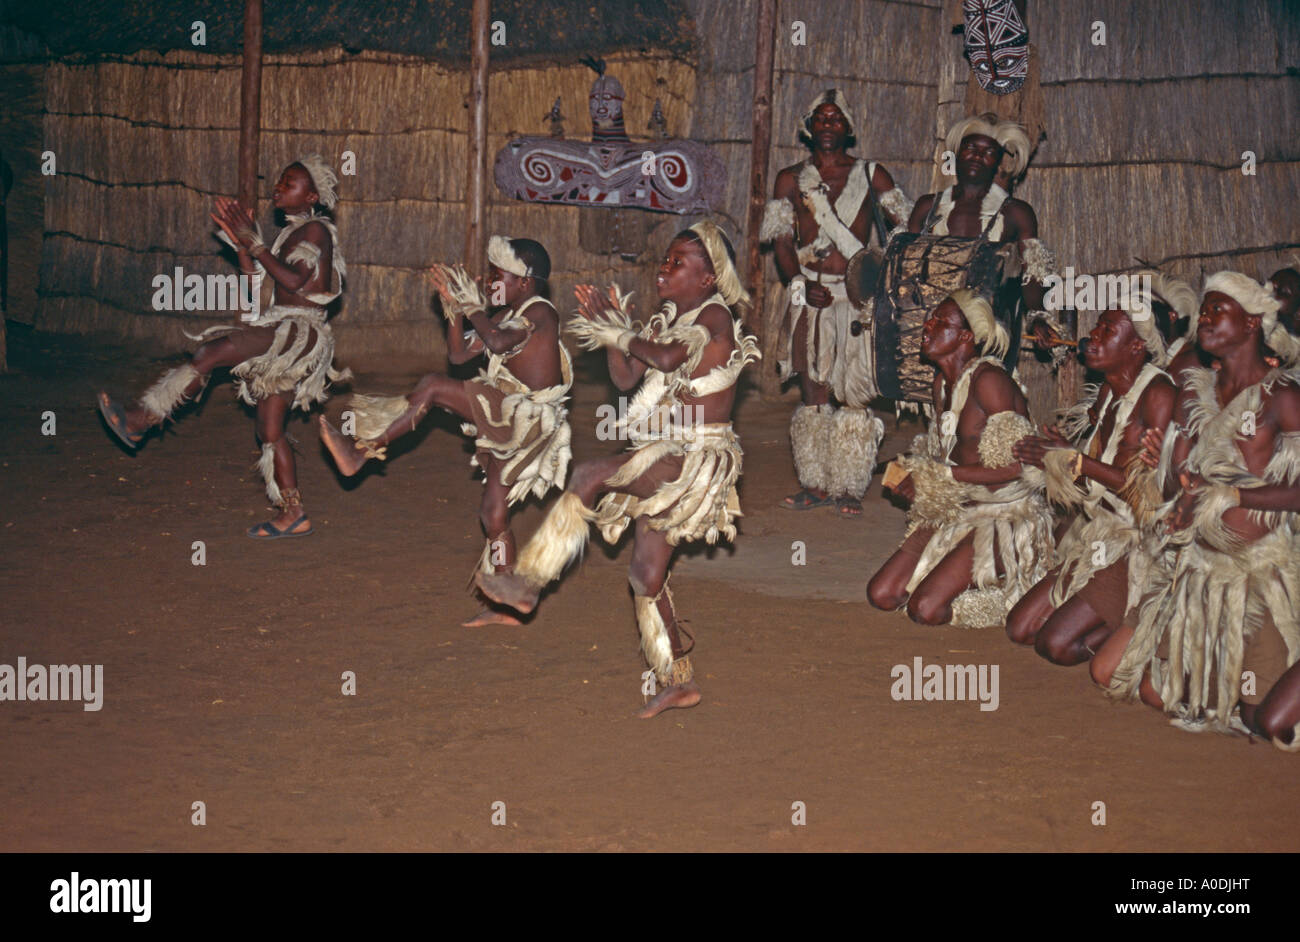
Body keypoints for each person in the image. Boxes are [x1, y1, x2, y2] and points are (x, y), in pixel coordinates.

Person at [474, 222, 760, 718]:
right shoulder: (669, 316)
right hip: (666, 450)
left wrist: (622, 332)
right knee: (645, 575)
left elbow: (669, 358)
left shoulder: (715, 316)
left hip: (691, 455)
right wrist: (611, 335)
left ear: (708, 278)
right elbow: (626, 377)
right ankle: (678, 681)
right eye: (665, 259)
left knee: (587, 476)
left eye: (677, 262)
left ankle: (529, 582)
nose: (664, 268)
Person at [319, 237, 571, 627]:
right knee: (493, 514)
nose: (489, 283)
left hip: (526, 419)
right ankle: (511, 599)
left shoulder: (540, 312)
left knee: (434, 387)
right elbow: (458, 355)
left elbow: (499, 342)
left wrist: (473, 308)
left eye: (497, 276)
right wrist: (454, 311)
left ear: (524, 282)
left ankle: (360, 453)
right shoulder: (507, 315)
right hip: (512, 417)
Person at [1094, 272, 1300, 748]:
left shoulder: (1282, 397)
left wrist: (1236, 496)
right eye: (1203, 310)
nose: (1204, 319)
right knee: (1127, 680)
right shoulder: (1196, 391)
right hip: (1200, 572)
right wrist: (1158, 467)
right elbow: (1179, 485)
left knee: (1260, 720)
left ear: (1252, 323)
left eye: (1217, 311)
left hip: (1258, 576)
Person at [97, 156, 350, 538]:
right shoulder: (289, 236)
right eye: (279, 181)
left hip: (298, 331)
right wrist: (244, 249)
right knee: (269, 430)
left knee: (209, 353)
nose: (278, 186)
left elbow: (296, 281)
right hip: (286, 331)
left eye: (290, 182)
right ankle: (293, 513)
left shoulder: (315, 230)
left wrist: (255, 241)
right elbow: (256, 283)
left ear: (312, 195)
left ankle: (140, 419)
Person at [761, 90, 911, 517]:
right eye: (820, 119)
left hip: (856, 295)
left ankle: (848, 484)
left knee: (854, 389)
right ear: (810, 128)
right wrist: (797, 284)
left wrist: (885, 278)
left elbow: (906, 226)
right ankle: (815, 482)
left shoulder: (871, 174)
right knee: (813, 387)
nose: (828, 125)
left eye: (836, 119)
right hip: (810, 291)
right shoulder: (790, 179)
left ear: (848, 128)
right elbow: (783, 242)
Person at [1005, 292, 1177, 663]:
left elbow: (1153, 495)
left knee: (1056, 645)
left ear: (1136, 346)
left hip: (1135, 542)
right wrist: (1065, 458)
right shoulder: (1107, 393)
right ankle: (1109, 615)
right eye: (1097, 325)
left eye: (1107, 330)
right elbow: (1097, 479)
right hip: (1098, 531)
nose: (1092, 337)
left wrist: (1077, 461)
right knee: (1020, 628)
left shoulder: (1160, 394)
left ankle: (1137, 625)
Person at [867, 289, 1051, 627]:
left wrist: (939, 479)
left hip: (1003, 515)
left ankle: (1008, 595)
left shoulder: (991, 382)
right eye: (931, 318)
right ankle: (955, 574)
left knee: (925, 609)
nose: (928, 325)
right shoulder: (942, 384)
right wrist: (918, 479)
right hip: (959, 507)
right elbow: (947, 457)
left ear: (965, 336)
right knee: (883, 593)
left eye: (941, 322)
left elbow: (1017, 468)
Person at [908, 114, 1063, 354]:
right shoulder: (928, 207)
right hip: (930, 328)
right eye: (970, 148)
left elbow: (1031, 274)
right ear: (957, 154)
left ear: (999, 162)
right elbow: (905, 269)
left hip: (987, 333)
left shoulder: (1016, 213)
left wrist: (1038, 319)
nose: (977, 156)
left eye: (989, 152)